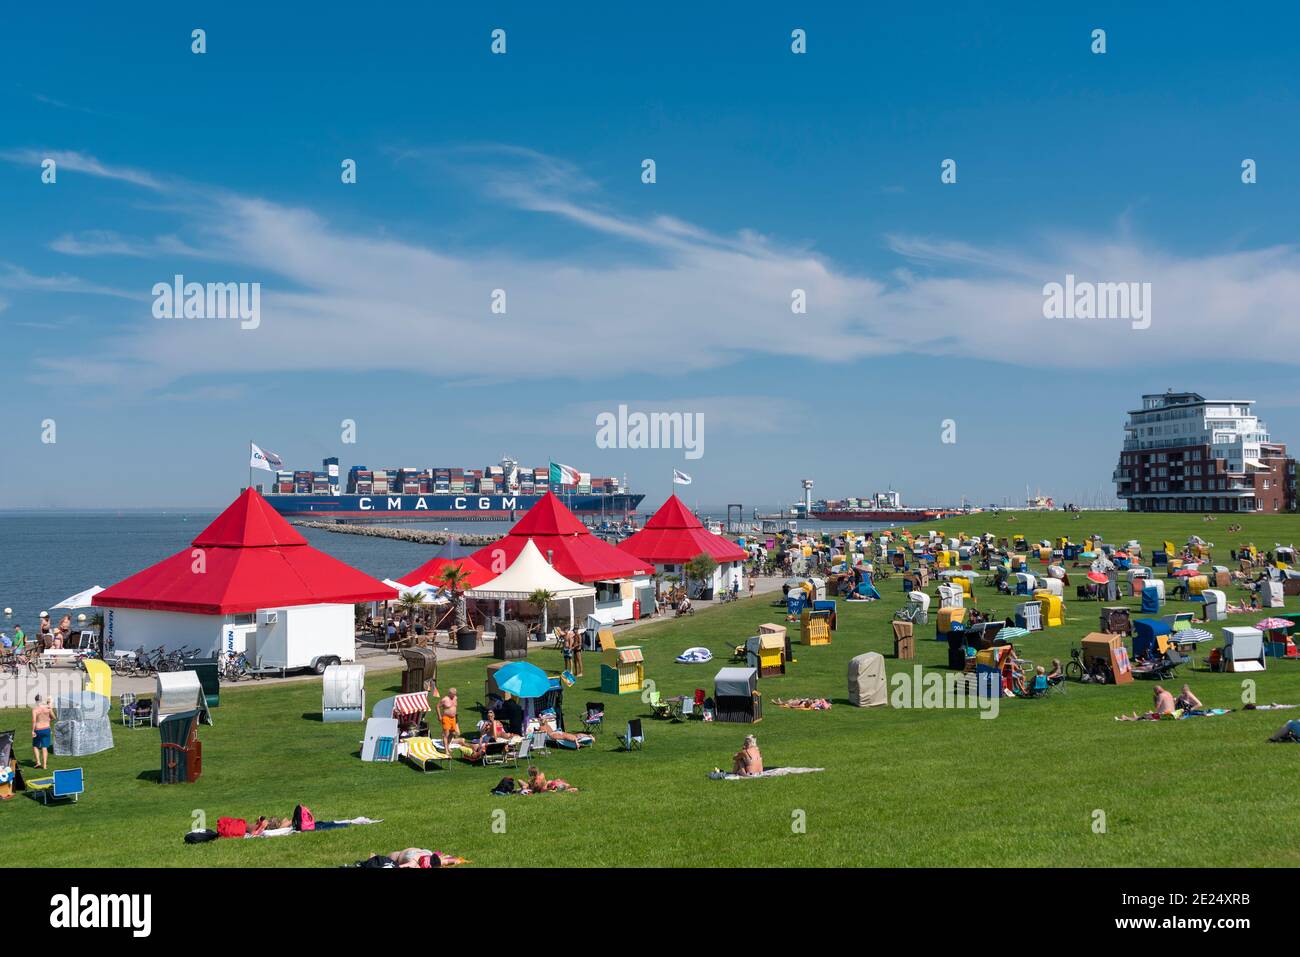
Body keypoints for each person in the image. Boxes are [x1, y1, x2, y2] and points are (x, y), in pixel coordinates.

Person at [31, 694, 53, 770]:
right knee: (44, 747)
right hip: (47, 729)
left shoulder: (35, 709)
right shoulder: (47, 708)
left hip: (38, 729)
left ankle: (38, 762)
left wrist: (32, 731)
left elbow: (34, 721)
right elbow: (53, 717)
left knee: (35, 746)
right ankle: (44, 766)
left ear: (36, 701)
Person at [437, 687, 459, 756]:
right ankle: (446, 750)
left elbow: (454, 707)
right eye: (453, 694)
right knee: (446, 734)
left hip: (453, 718)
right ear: (449, 693)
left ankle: (448, 745)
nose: (454, 695)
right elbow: (437, 706)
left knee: (452, 733)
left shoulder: (455, 698)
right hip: (446, 718)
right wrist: (439, 716)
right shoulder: (445, 699)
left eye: (455, 694)